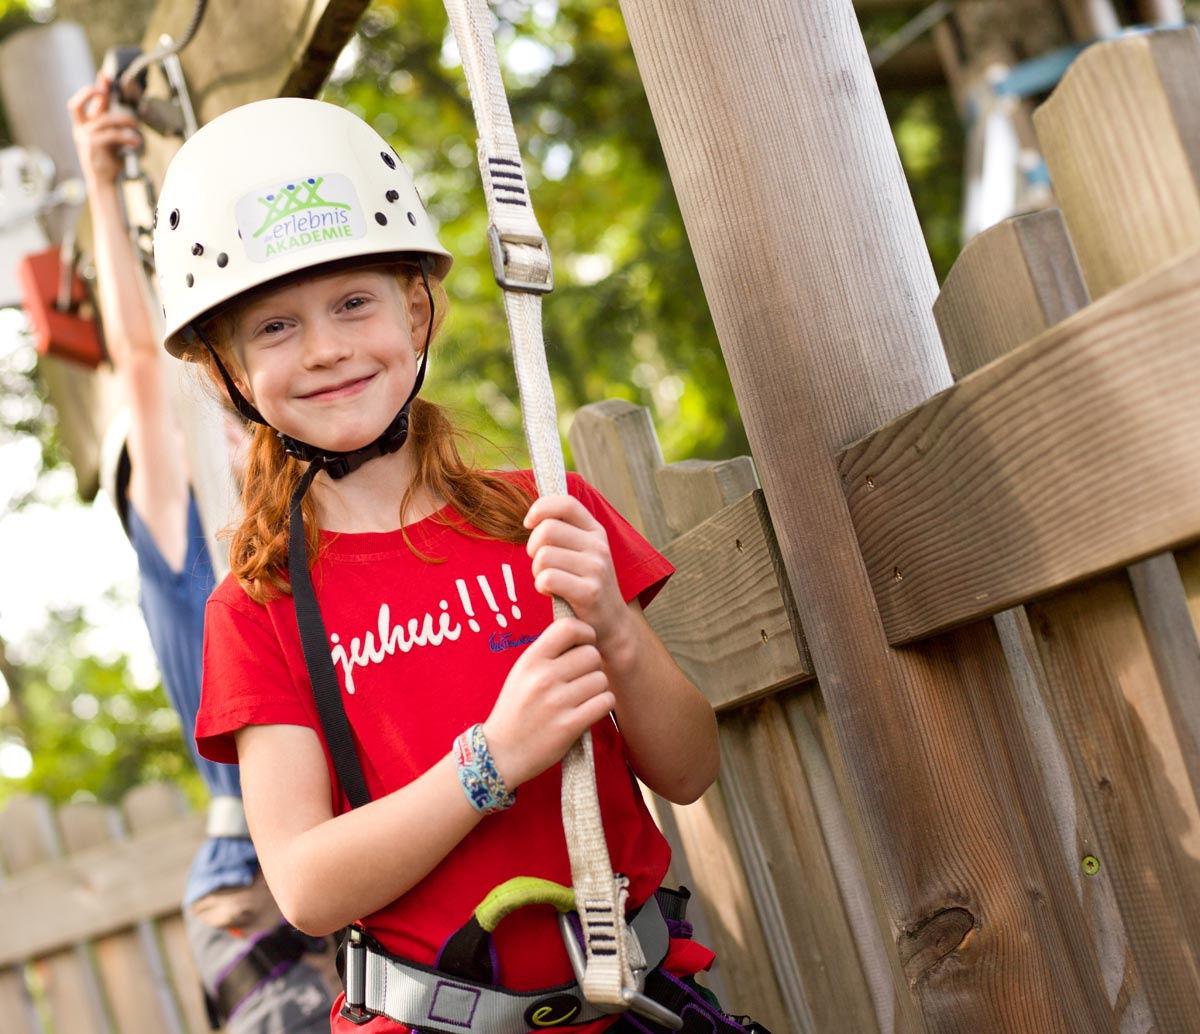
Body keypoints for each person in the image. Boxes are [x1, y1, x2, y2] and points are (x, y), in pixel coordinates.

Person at [153, 96, 738, 1034]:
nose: (327, 349)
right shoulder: (256, 608)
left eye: (353, 303)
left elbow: (691, 767)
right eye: (275, 327)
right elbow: (304, 886)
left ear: (416, 310)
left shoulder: (542, 514)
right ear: (226, 369)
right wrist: (490, 761)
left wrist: (618, 630)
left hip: (638, 1008)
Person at [69, 77, 340, 1033]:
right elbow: (143, 366)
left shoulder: (322, 521)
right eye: (215, 419)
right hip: (251, 889)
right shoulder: (187, 546)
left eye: (242, 420)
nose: (234, 439)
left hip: (357, 850)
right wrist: (104, 188)